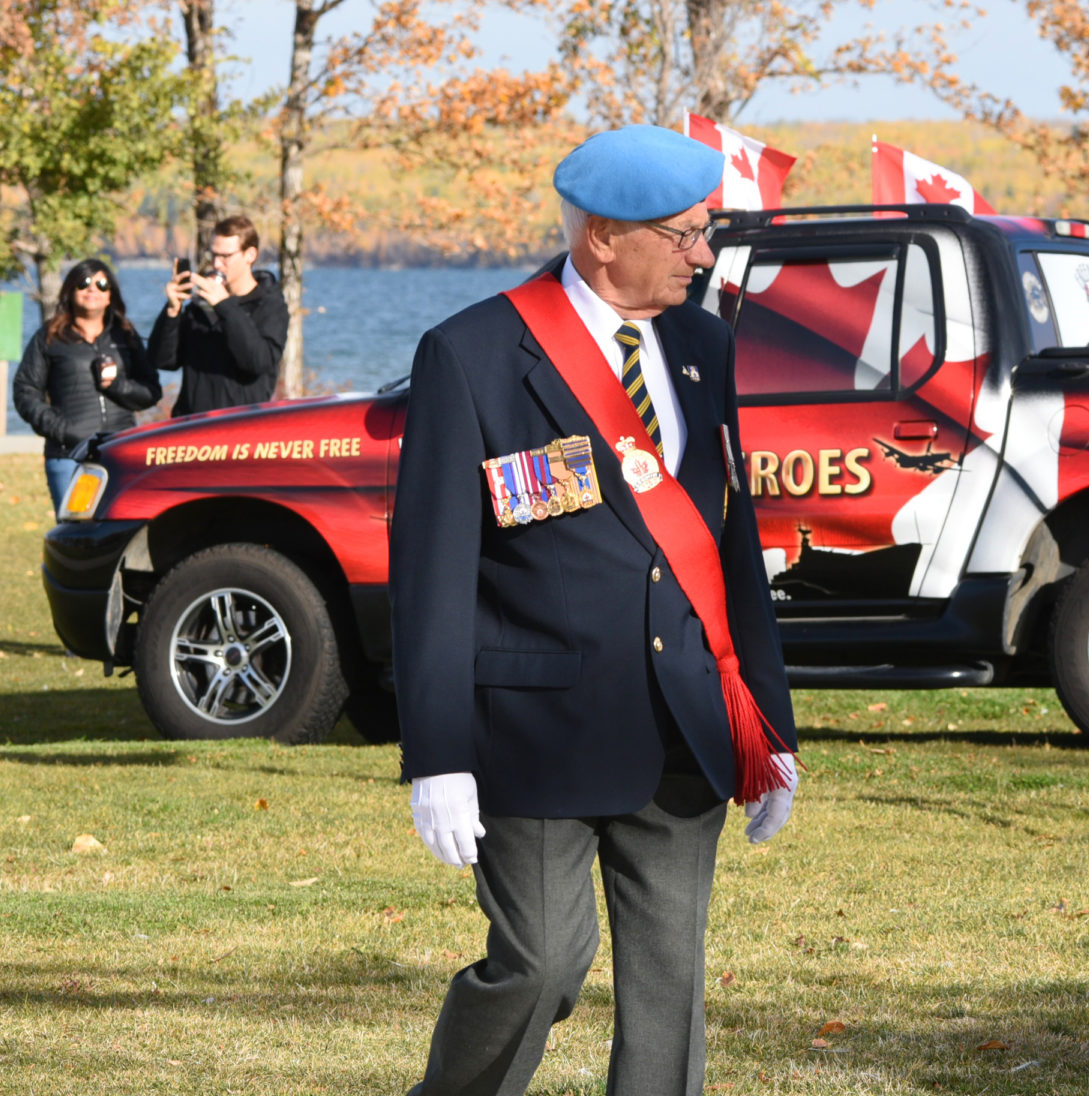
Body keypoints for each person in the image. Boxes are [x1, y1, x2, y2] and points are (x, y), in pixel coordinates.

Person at [389, 124, 799, 1096]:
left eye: (706, 230)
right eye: (685, 234)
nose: (704, 254)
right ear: (604, 237)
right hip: (536, 731)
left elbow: (730, 541)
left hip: (683, 719)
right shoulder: (473, 354)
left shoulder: (703, 343)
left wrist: (769, 725)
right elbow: (433, 571)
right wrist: (438, 754)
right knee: (541, 963)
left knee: (668, 985)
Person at [13, 259, 160, 510]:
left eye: (101, 285)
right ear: (70, 291)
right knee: (76, 530)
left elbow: (151, 391)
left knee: (120, 526)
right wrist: (62, 430)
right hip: (68, 457)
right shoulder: (50, 336)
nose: (92, 289)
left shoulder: (125, 336)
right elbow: (25, 391)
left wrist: (117, 386)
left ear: (110, 295)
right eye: (84, 283)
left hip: (120, 453)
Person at [147, 214, 289, 416]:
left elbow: (258, 362)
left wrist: (225, 306)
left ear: (250, 255)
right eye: (213, 255)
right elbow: (162, 360)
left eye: (225, 256)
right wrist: (172, 312)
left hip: (240, 425)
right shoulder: (201, 303)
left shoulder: (270, 305)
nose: (216, 264)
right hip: (192, 423)